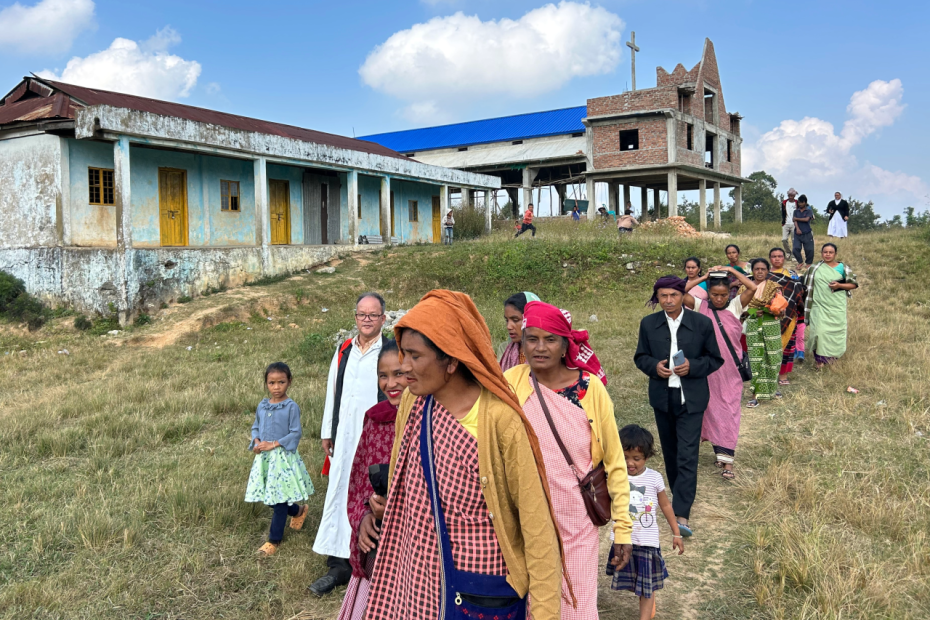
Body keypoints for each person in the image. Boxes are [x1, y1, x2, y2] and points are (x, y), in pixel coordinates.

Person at [365, 290, 565, 620]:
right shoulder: (414, 406)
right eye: (403, 354)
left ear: (452, 360)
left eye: (414, 356)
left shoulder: (500, 421)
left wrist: (544, 612)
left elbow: (536, 526)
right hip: (417, 583)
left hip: (482, 591)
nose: (403, 367)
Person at [505, 301, 631, 619]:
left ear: (565, 346)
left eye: (550, 339)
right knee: (533, 605)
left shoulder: (590, 389)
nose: (540, 347)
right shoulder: (511, 383)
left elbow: (615, 462)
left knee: (576, 606)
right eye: (532, 339)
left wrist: (623, 531)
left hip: (577, 524)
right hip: (526, 524)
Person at [310, 292, 388, 596]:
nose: (367, 320)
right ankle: (338, 562)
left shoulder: (389, 350)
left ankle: (373, 559)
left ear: (383, 318)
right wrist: (327, 430)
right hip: (344, 436)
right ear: (355, 317)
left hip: (375, 436)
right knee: (341, 489)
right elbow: (333, 390)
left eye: (373, 315)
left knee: (371, 494)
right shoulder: (344, 351)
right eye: (361, 314)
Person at [634, 276, 723, 537]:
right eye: (663, 296)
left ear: (682, 296)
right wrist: (655, 367)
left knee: (687, 454)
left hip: (691, 399)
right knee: (671, 453)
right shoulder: (649, 324)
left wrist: (692, 367)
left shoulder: (701, 323)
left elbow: (714, 359)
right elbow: (640, 356)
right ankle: (678, 497)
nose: (669, 300)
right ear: (657, 297)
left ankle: (682, 512)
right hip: (663, 398)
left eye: (673, 295)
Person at [337, 340, 406, 620]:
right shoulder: (375, 421)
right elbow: (358, 483)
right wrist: (364, 517)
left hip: (420, 545)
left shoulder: (432, 417)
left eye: (399, 373)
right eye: (383, 375)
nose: (391, 383)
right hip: (379, 541)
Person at [684, 268, 757, 479]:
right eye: (714, 294)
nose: (718, 298)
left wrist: (732, 271)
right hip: (707, 370)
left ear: (729, 294)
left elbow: (751, 287)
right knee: (711, 409)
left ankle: (728, 463)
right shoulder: (700, 305)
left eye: (723, 294)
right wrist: (705, 278)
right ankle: (721, 452)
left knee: (729, 411)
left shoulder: (735, 306)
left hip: (730, 371)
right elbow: (680, 291)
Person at [606, 425, 684, 620]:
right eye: (625, 457)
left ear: (647, 457)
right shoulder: (614, 476)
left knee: (646, 587)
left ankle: (645, 615)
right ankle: (647, 606)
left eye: (636, 458)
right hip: (623, 540)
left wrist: (676, 532)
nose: (630, 463)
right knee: (635, 582)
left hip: (647, 542)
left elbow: (666, 506)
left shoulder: (654, 478)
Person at [245, 362, 314, 556]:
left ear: (289, 382)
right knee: (270, 497)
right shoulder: (263, 405)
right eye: (272, 383)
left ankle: (273, 541)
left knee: (280, 498)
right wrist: (257, 441)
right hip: (265, 458)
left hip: (283, 458)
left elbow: (295, 432)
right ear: (266, 383)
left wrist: (274, 444)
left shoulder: (291, 407)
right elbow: (255, 426)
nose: (276, 387)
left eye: (281, 382)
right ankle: (298, 511)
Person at [802, 243, 859, 369]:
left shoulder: (843, 268)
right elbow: (804, 283)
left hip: (836, 306)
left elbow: (853, 284)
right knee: (818, 332)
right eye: (825, 252)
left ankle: (831, 358)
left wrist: (840, 286)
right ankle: (819, 361)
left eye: (830, 252)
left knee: (834, 333)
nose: (827, 254)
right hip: (818, 305)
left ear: (835, 254)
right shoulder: (815, 268)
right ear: (821, 253)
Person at [741, 259, 786, 407]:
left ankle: (772, 389)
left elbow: (782, 311)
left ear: (768, 271)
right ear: (752, 271)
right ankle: (756, 394)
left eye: (763, 269)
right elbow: (739, 310)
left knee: (773, 356)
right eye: (757, 269)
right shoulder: (745, 288)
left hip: (771, 325)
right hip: (753, 325)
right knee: (756, 359)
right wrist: (752, 312)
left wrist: (773, 309)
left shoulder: (775, 288)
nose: (760, 272)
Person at [768, 248, 806, 387]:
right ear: (770, 258)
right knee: (770, 344)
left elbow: (798, 293)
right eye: (774, 256)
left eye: (780, 256)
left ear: (784, 258)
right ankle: (770, 373)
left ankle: (783, 374)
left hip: (789, 315)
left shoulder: (792, 274)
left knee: (788, 344)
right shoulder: (765, 274)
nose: (777, 259)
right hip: (770, 314)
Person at [499, 291, 542, 372]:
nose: (508, 326)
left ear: (532, 319)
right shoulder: (504, 349)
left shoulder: (545, 350)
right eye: (507, 320)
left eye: (515, 320)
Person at [792, 194, 815, 270]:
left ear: (805, 203)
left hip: (807, 232)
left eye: (801, 203)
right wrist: (797, 229)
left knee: (809, 249)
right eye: (799, 203)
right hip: (797, 233)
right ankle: (800, 262)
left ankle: (808, 263)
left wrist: (797, 219)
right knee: (795, 248)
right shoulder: (796, 211)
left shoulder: (809, 211)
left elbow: (806, 219)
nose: (800, 204)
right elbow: (794, 221)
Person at [781, 188, 800, 254]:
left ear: (794, 196)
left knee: (794, 240)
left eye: (791, 195)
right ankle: (788, 252)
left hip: (794, 224)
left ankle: (794, 254)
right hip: (786, 223)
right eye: (789, 195)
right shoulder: (784, 202)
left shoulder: (797, 203)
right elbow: (783, 212)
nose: (790, 197)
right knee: (784, 239)